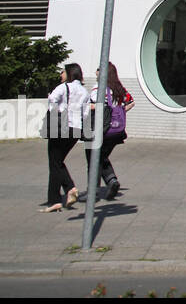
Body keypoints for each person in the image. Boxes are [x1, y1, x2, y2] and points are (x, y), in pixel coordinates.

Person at [84, 61, 134, 201]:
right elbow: (131, 102)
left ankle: (93, 192)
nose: (96, 73)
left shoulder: (98, 88)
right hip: (117, 130)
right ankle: (111, 181)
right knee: (101, 157)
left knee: (94, 158)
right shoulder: (119, 88)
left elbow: (93, 106)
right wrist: (119, 113)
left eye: (98, 70)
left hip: (102, 128)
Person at [41, 63, 88, 212]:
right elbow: (85, 114)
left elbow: (52, 99)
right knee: (57, 162)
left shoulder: (63, 87)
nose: (61, 74)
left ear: (69, 73)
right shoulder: (84, 91)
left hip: (61, 128)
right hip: (76, 130)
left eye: (63, 72)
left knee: (55, 162)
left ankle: (68, 189)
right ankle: (54, 199)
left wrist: (57, 112)